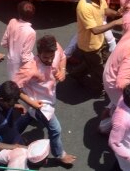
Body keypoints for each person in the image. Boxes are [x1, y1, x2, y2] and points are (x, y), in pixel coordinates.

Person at [13, 34, 78, 166]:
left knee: (29, 116)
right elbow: (14, 88)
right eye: (45, 57)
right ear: (38, 54)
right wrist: (32, 103)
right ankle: (60, 155)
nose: (49, 60)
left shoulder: (56, 48)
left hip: (49, 97)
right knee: (55, 129)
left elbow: (63, 57)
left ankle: (11, 135)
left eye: (51, 57)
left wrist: (63, 70)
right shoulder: (30, 69)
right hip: (40, 104)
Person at [69, 0, 125, 92]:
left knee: (97, 61)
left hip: (100, 39)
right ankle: (98, 89)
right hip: (89, 45)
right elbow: (94, 30)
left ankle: (76, 73)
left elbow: (105, 11)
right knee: (98, 70)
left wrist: (117, 13)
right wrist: (115, 22)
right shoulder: (84, 7)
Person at [0, 1, 36, 81]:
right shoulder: (31, 32)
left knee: (13, 83)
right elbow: (25, 56)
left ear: (19, 13)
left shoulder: (12, 22)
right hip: (22, 64)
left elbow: (4, 43)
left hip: (11, 61)